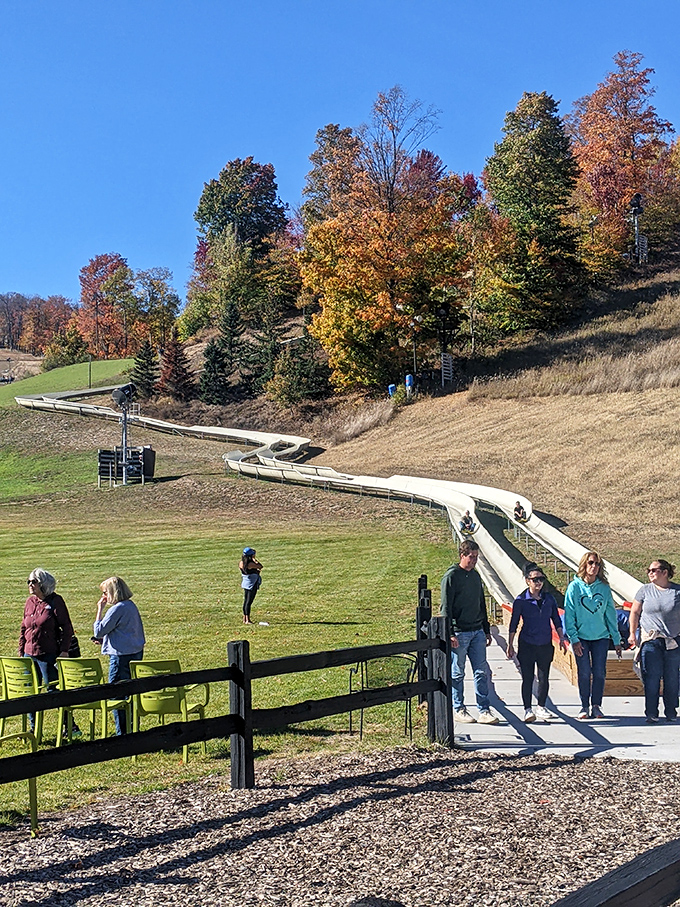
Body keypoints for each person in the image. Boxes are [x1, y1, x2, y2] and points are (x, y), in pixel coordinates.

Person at [440, 539, 499, 724]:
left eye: (476, 557)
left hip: (477, 631)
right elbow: (445, 607)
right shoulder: (451, 577)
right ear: (462, 555)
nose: (474, 561)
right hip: (459, 632)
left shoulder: (475, 577)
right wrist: (449, 632)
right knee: (457, 672)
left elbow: (481, 603)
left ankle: (484, 709)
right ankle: (459, 708)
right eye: (471, 557)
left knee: (481, 671)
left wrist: (486, 629)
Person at [564, 551, 622, 720]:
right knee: (584, 672)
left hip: (601, 637)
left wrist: (616, 639)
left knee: (599, 672)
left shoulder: (604, 588)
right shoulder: (574, 587)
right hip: (581, 637)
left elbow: (610, 615)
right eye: (591, 563)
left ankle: (596, 705)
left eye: (597, 564)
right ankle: (584, 705)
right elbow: (569, 615)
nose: (594, 567)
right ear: (584, 565)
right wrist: (573, 639)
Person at [507, 563, 567, 722]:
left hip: (545, 643)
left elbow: (556, 619)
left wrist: (561, 637)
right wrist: (510, 644)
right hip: (527, 643)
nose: (538, 582)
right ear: (527, 581)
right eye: (535, 580)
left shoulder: (549, 599)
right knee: (527, 678)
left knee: (544, 677)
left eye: (541, 579)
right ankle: (527, 709)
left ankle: (541, 706)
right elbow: (513, 623)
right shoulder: (521, 600)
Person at [19, 568, 74, 731]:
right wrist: (21, 650)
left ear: (43, 584)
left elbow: (67, 628)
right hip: (29, 653)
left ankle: (68, 725)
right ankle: (33, 727)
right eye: (28, 581)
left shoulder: (56, 601)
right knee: (31, 692)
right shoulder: (30, 602)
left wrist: (64, 651)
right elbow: (24, 627)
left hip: (48, 654)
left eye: (33, 582)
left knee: (53, 690)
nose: (30, 584)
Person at [628, 559, 680, 724]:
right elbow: (635, 612)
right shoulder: (644, 590)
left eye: (654, 570)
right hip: (651, 640)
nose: (650, 573)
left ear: (665, 572)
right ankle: (651, 712)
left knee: (672, 678)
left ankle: (671, 711)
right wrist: (632, 633)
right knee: (651, 678)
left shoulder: (677, 591)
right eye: (648, 570)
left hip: (672, 641)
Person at [94, 576, 145, 735]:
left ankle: (122, 733)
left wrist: (99, 610)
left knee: (117, 695)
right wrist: (106, 642)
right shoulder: (130, 606)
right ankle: (132, 729)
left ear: (111, 593)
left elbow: (99, 631)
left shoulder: (116, 609)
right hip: (135, 653)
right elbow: (124, 631)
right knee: (131, 692)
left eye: (104, 593)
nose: (103, 597)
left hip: (120, 657)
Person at [239, 547, 263, 625]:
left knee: (246, 601)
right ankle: (247, 620)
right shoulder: (251, 564)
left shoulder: (241, 563)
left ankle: (244, 618)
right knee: (249, 602)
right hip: (251, 584)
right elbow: (260, 566)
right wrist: (254, 559)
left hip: (246, 583)